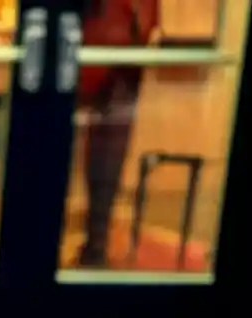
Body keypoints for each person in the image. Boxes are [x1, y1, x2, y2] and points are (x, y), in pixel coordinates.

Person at [76, 0, 161, 268]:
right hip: (116, 62)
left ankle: (95, 247)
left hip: (110, 64)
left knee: (104, 164)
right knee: (106, 164)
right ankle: (95, 246)